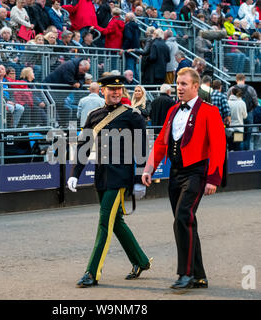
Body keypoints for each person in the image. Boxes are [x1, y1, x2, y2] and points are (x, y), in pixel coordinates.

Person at [142, 67, 226, 290]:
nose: (179, 88)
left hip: (197, 173)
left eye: (184, 84)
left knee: (182, 218)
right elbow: (161, 143)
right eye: (178, 84)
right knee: (186, 223)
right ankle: (199, 276)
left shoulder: (210, 111)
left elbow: (218, 146)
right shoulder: (172, 111)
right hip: (175, 174)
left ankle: (185, 274)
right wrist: (149, 168)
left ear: (195, 86)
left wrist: (213, 178)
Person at [67, 75, 153, 288]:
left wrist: (139, 179)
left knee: (105, 223)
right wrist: (74, 174)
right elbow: (84, 146)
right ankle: (140, 261)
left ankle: (92, 272)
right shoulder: (94, 115)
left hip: (120, 178)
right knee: (116, 223)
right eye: (111, 89)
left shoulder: (132, 115)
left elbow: (141, 148)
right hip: (102, 176)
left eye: (119, 89)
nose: (116, 93)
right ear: (102, 91)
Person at [227, 74, 259, 150]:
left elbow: (227, 100)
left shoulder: (232, 89)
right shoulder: (251, 89)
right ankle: (246, 157)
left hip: (236, 117)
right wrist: (250, 110)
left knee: (236, 139)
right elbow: (256, 103)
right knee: (247, 138)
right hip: (248, 115)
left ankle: (236, 156)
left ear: (236, 80)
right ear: (244, 79)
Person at [227, 86, 248, 151]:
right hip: (239, 129)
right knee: (237, 148)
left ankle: (229, 161)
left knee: (230, 148)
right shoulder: (242, 103)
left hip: (229, 130)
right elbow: (245, 116)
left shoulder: (227, 102)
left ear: (231, 93)